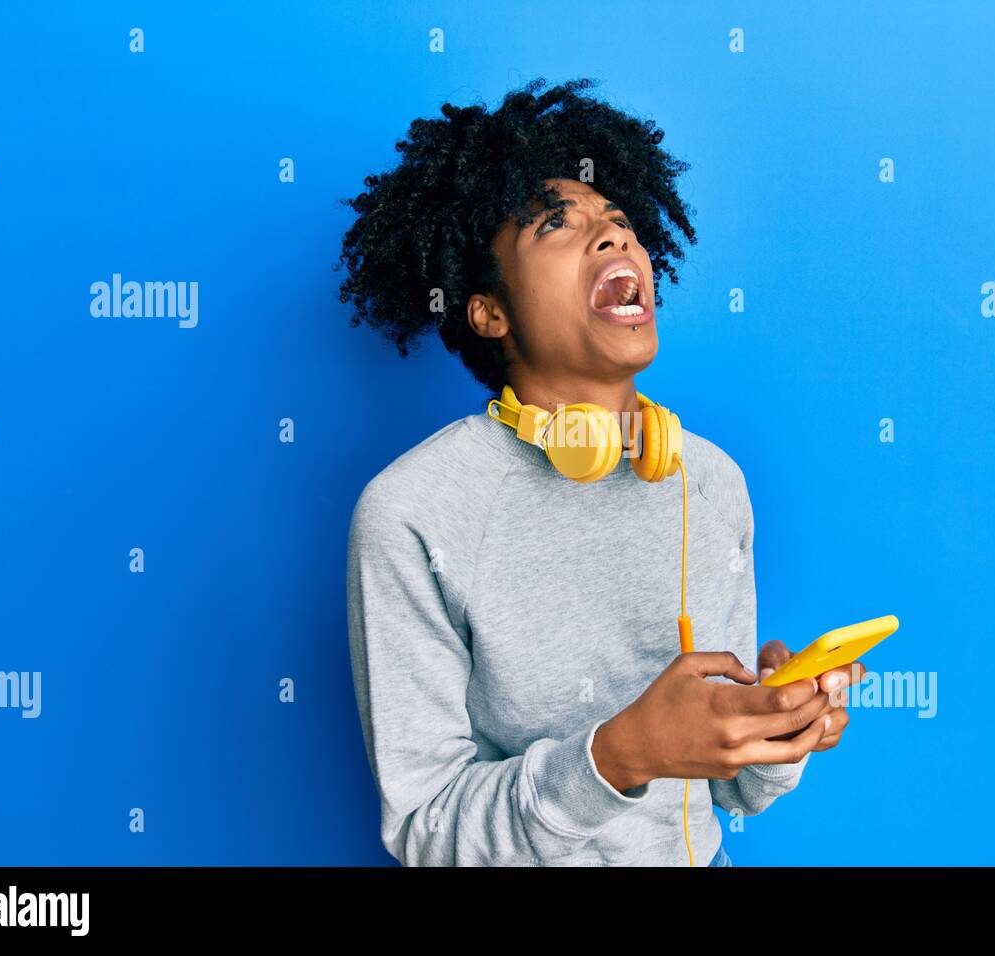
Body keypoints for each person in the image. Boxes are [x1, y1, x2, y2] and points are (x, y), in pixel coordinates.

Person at [339, 77, 863, 867]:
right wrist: (618, 755)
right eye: (559, 225)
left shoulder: (710, 481)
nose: (615, 238)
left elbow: (733, 788)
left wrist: (777, 727)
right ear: (489, 310)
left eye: (620, 223)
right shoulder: (411, 513)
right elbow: (427, 830)